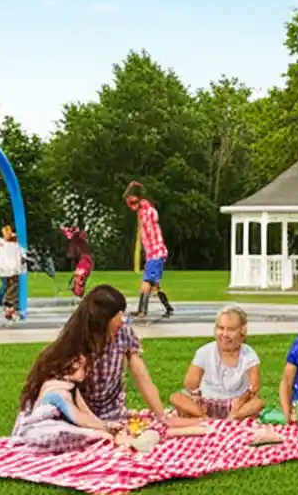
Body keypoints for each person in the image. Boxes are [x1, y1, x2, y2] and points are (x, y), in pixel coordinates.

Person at [15, 284, 175, 434]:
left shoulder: (123, 333)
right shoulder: (76, 344)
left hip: (111, 414)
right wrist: (99, 426)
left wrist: (161, 415)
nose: (122, 320)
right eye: (119, 315)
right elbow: (76, 403)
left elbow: (141, 375)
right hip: (77, 417)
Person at [170, 306, 264, 420]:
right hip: (206, 402)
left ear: (242, 331)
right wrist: (196, 397)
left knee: (258, 403)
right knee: (176, 397)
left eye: (231, 329)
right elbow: (190, 384)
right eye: (221, 328)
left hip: (236, 404)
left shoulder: (248, 354)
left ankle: (232, 417)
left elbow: (254, 387)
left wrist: (239, 404)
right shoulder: (204, 351)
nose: (224, 334)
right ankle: (205, 418)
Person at [124, 181, 174, 319]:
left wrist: (137, 194)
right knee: (155, 283)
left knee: (147, 281)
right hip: (153, 254)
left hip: (155, 253)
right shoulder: (142, 212)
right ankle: (168, 307)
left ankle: (142, 311)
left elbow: (151, 215)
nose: (131, 206)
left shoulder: (148, 212)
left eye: (133, 202)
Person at [0, 219, 25, 324]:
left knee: (11, 292)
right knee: (8, 292)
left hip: (11, 272)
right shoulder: (3, 243)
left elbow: (23, 257)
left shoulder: (16, 245)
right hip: (7, 272)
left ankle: (11, 309)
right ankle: (9, 308)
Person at [63, 225, 94, 300]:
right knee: (78, 279)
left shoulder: (76, 240)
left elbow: (70, 255)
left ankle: (79, 293)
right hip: (85, 262)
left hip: (85, 261)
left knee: (78, 277)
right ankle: (79, 294)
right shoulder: (77, 241)